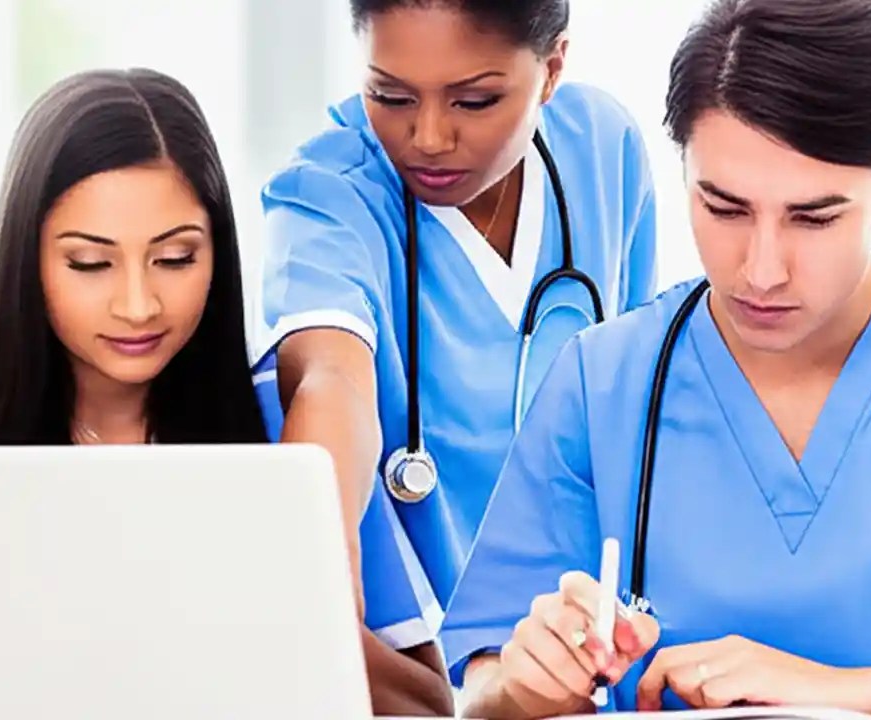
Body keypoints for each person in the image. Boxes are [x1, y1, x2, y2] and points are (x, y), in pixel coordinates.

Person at [439, 0, 871, 717]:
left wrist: (837, 691)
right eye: (724, 207)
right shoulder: (602, 382)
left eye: (814, 217)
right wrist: (522, 682)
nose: (761, 270)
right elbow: (482, 688)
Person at [0, 69, 452, 719]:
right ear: (29, 258)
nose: (138, 305)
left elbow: (429, 704)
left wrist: (281, 612)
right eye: (90, 263)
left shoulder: (292, 425)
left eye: (175, 259)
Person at [258, 0, 659, 609]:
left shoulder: (604, 149)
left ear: (552, 68)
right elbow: (331, 378)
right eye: (390, 97)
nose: (428, 138)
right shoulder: (327, 194)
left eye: (473, 102)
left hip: (590, 639)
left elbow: (638, 408)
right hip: (426, 666)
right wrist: (316, 582)